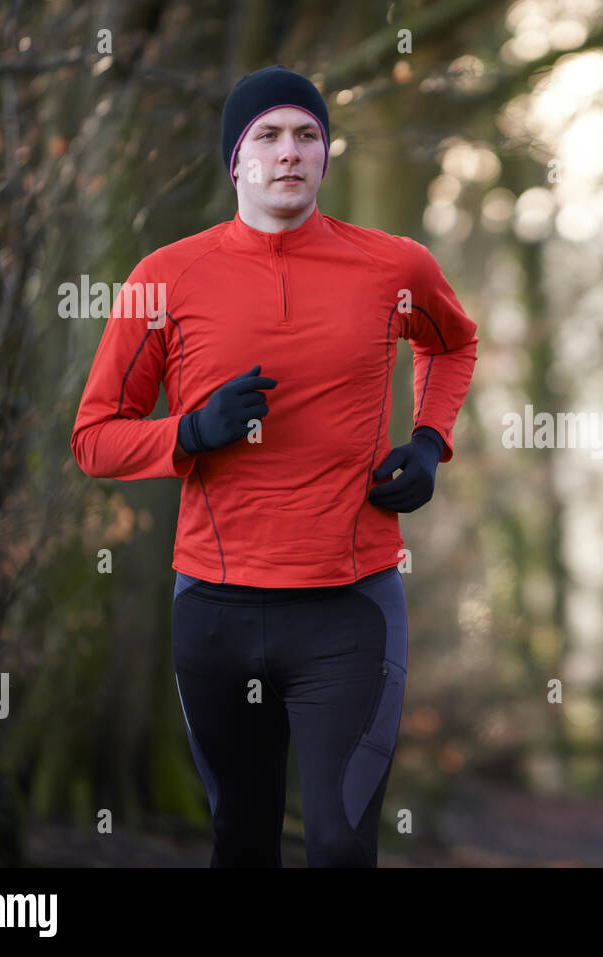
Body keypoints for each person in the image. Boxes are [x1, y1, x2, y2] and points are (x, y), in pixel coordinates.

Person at [69, 64, 478, 867]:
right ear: (236, 160)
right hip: (216, 611)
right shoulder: (165, 277)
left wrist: (430, 441)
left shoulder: (394, 268)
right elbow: (95, 436)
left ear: (326, 156)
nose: (288, 152)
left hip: (350, 610)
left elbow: (453, 342)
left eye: (307, 135)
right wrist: (188, 431)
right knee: (241, 841)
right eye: (267, 135)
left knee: (337, 844)